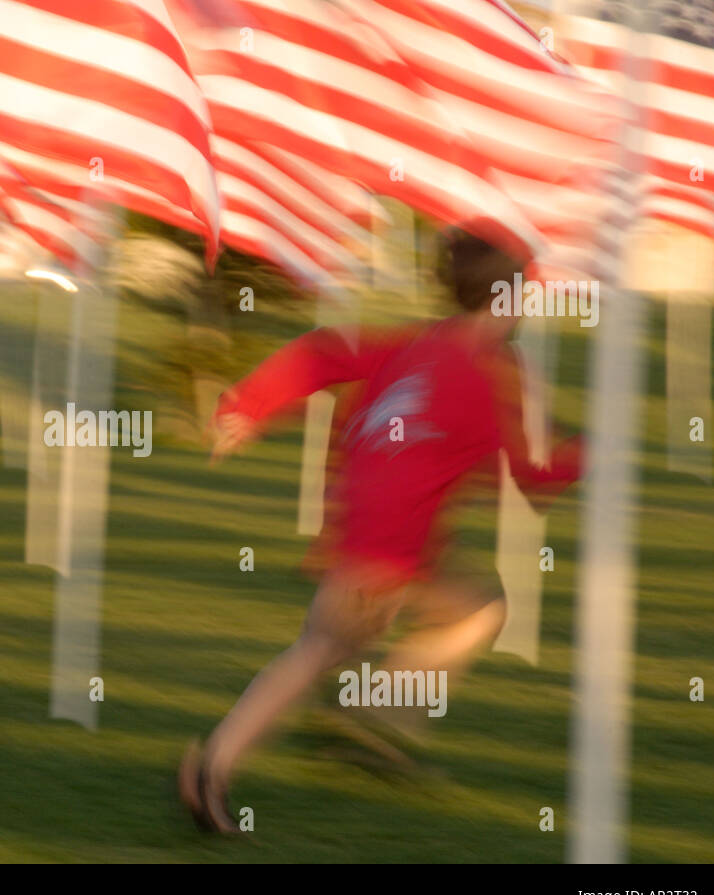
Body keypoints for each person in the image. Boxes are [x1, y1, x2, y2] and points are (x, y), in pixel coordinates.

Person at [180, 229, 583, 834]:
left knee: (464, 612)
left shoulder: (414, 340)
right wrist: (589, 454)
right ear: (506, 299)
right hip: (390, 543)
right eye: (526, 291)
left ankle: (363, 711)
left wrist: (249, 405)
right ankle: (221, 764)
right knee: (322, 649)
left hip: (367, 525)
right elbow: (524, 477)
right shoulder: (489, 373)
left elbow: (322, 353)